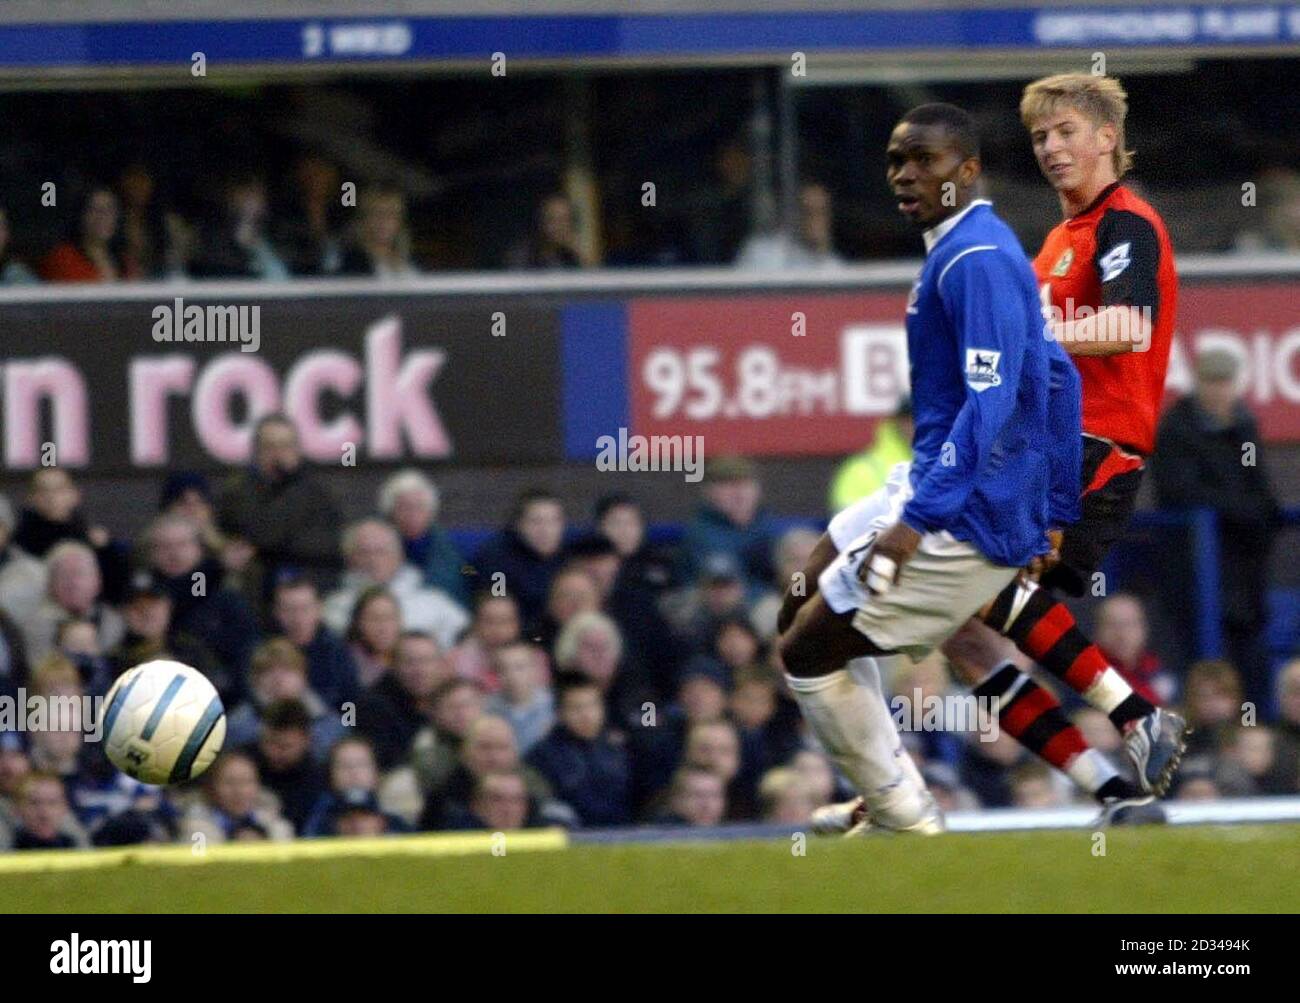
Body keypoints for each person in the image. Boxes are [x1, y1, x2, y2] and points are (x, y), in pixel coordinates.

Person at [777, 102, 1082, 835]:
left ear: (968, 170)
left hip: (961, 510)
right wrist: (1059, 511)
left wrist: (918, 521)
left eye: (925, 161)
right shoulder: (963, 247)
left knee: (805, 651)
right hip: (936, 482)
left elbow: (991, 400)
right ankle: (889, 786)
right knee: (802, 593)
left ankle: (903, 817)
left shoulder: (977, 260)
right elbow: (1059, 376)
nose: (906, 176)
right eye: (895, 161)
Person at [1152, 347, 1281, 710]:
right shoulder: (1177, 428)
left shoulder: (1244, 426)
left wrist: (1257, 511)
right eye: (1212, 381)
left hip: (1244, 572)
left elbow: (1255, 478)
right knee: (1204, 658)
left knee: (1249, 659)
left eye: (1225, 382)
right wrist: (1245, 510)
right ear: (1198, 383)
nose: (1219, 391)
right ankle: (1203, 735)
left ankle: (1252, 728)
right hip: (1196, 566)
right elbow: (1180, 490)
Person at [216, 414, 344, 604]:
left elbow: (329, 545)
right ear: (256, 451)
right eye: (269, 447)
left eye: (285, 446)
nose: (278, 454)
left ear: (298, 450)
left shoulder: (321, 493)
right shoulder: (235, 492)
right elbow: (254, 533)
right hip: (253, 592)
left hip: (315, 591)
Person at [324, 518, 469, 650]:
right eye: (364, 553)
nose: (372, 560)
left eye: (381, 551)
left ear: (399, 556)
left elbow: (466, 639)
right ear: (349, 559)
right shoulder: (333, 607)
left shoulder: (434, 602)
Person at [525, 673, 632, 828]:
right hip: (571, 838)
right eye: (576, 708)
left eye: (593, 705)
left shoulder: (620, 748)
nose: (586, 715)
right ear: (560, 714)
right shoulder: (541, 757)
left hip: (626, 834)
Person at [471, 489, 569, 624]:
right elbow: (495, 610)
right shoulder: (495, 560)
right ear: (519, 524)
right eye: (536, 521)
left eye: (554, 521)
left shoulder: (570, 557)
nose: (546, 530)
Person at [379, 469, 470, 606]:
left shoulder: (453, 550)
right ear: (390, 511)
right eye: (404, 507)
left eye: (419, 507)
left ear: (431, 511)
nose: (412, 514)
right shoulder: (377, 546)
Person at [271, 576, 359, 709]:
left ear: (318, 609)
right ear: (277, 612)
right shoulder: (264, 651)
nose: (297, 617)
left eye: (305, 608)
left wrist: (347, 727)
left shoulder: (338, 651)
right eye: (289, 609)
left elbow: (350, 701)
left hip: (329, 725)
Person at [828, 397, 914, 515]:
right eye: (911, 419)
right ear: (897, 422)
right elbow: (849, 528)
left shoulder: (946, 467)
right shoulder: (862, 470)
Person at [735, 182, 844, 271]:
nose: (814, 219)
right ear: (794, 214)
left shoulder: (835, 267)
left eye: (821, 212)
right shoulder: (761, 253)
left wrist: (821, 249)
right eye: (807, 211)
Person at [40, 186, 134, 282]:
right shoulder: (62, 259)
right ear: (80, 215)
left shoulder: (125, 261)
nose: (102, 217)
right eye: (94, 209)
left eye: (109, 209)